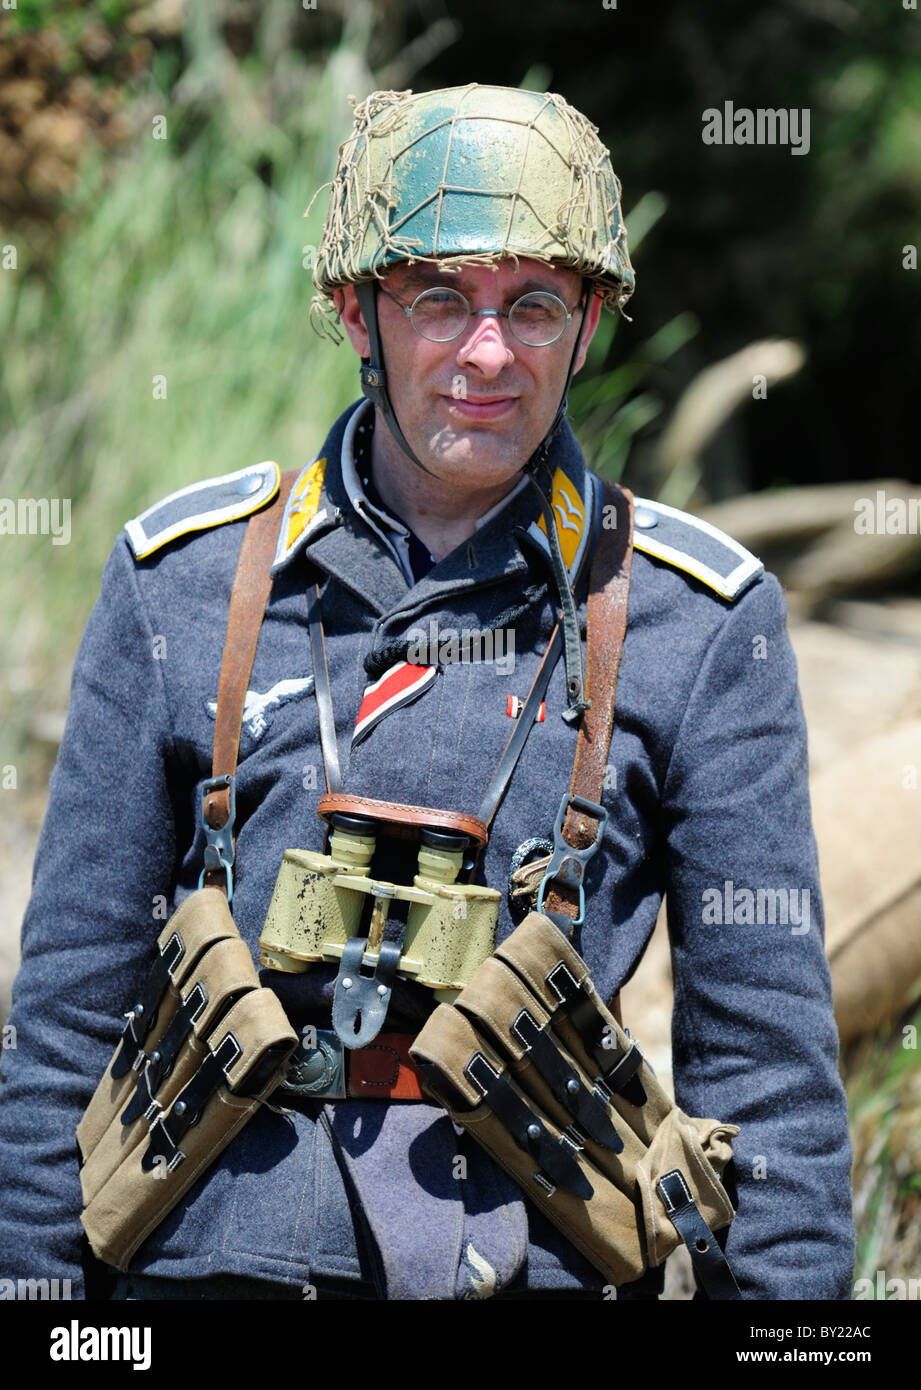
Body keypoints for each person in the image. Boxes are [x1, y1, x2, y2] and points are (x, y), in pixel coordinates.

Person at [0, 82, 854, 1301]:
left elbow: (769, 1081)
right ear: (357, 309)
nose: (489, 352)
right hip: (204, 1271)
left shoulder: (695, 623)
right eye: (439, 299)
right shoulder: (181, 586)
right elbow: (64, 1021)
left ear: (593, 321)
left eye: (537, 305)